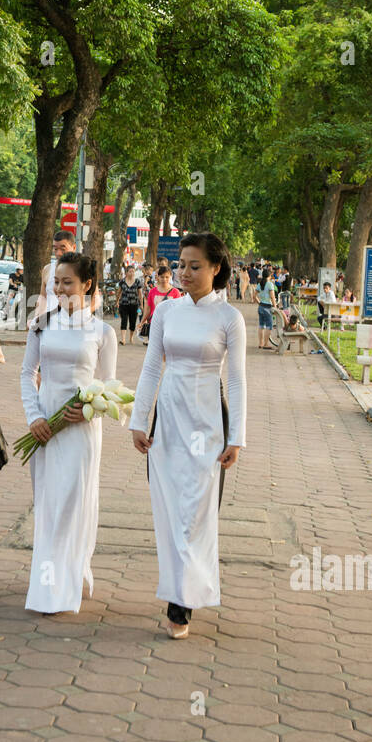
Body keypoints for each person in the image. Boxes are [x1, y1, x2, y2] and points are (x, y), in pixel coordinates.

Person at [130, 232, 246, 638]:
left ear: (216, 268)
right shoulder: (166, 311)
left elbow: (236, 381)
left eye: (195, 266)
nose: (185, 272)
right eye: (181, 265)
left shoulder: (229, 318)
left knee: (196, 512)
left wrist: (237, 437)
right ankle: (179, 589)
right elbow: (150, 369)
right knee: (169, 507)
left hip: (209, 421)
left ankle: (181, 603)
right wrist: (137, 419)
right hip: (168, 419)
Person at [21, 252, 117, 615]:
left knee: (72, 505)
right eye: (56, 282)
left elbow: (108, 387)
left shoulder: (102, 333)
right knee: (48, 504)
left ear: (87, 285)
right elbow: (27, 374)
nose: (60, 289)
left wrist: (89, 410)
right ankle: (51, 579)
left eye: (67, 282)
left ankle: (63, 582)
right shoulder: (41, 325)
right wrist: (34, 416)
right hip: (43, 429)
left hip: (81, 431)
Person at [139, 265, 182, 342]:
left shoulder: (175, 292)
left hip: (170, 325)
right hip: (154, 324)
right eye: (162, 277)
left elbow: (178, 311)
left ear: (170, 277)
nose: (164, 279)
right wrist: (142, 322)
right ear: (157, 277)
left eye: (167, 277)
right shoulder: (152, 291)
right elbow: (148, 309)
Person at [39, 230, 76, 316]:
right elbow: (42, 297)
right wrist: (38, 318)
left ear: (74, 248)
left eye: (63, 249)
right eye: (55, 249)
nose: (58, 253)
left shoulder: (82, 269)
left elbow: (94, 300)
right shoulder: (47, 269)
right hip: (50, 323)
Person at [118, 265, 143, 345]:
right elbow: (119, 292)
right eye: (130, 271)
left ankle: (131, 337)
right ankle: (123, 339)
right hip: (123, 304)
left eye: (133, 271)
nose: (132, 273)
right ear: (126, 273)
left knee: (133, 322)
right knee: (124, 320)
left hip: (134, 304)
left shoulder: (137, 281)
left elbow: (140, 294)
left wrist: (141, 304)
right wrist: (117, 301)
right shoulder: (122, 281)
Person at [257, 268, 277, 349]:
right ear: (269, 275)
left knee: (261, 326)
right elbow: (272, 297)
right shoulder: (270, 284)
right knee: (269, 326)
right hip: (268, 307)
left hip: (261, 306)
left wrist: (259, 302)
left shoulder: (259, 284)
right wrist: (275, 306)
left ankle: (260, 343)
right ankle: (265, 344)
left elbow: (254, 296)